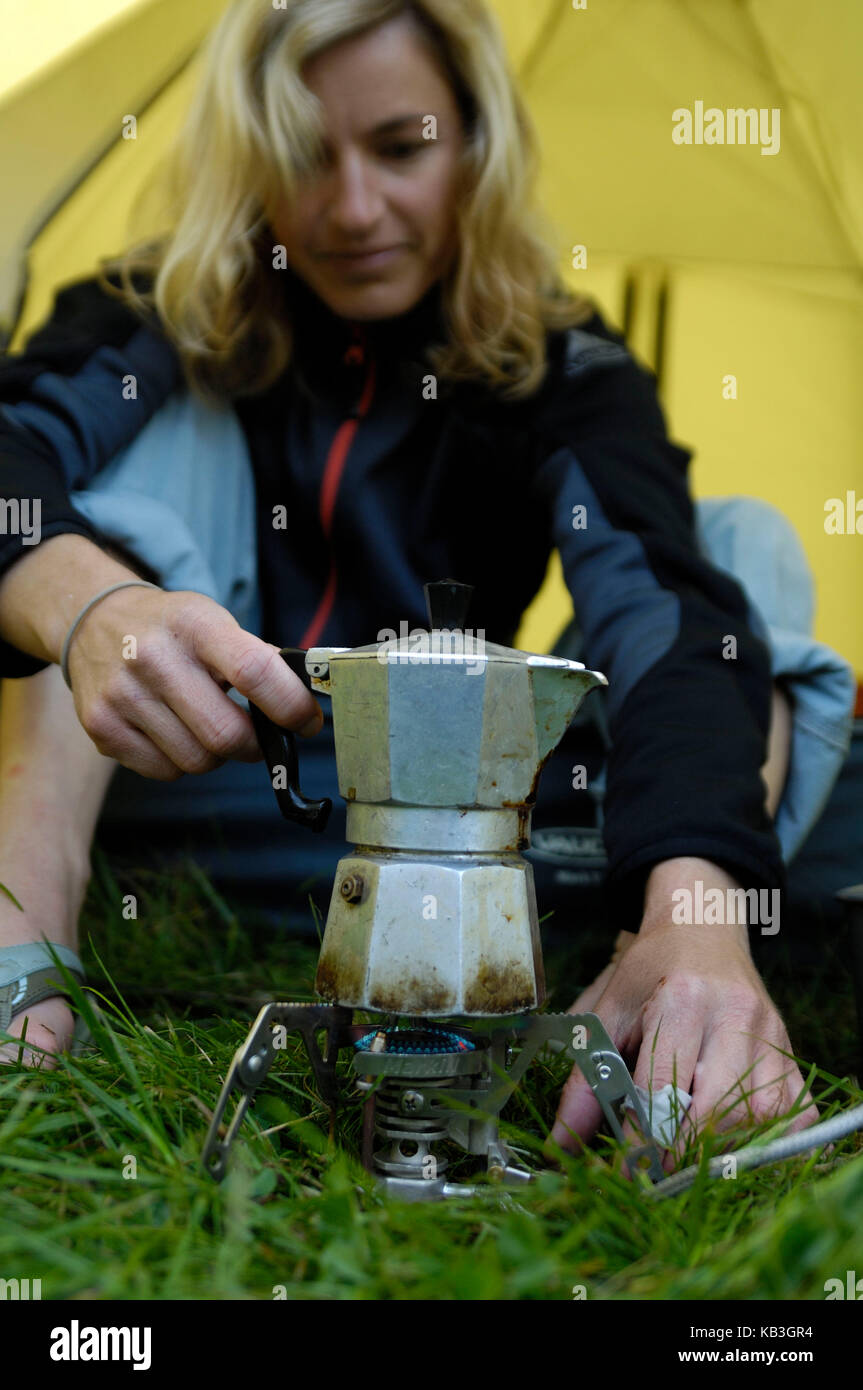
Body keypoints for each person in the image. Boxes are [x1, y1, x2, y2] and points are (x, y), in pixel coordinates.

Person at [0, 0, 850, 1161]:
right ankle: (23, 953)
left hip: (473, 826)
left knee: (737, 551)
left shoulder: (561, 360)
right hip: (198, 770)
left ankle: (680, 940)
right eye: (305, 153)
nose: (353, 209)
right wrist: (94, 601)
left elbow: (663, 610)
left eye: (401, 147)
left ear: (473, 142)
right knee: (119, 472)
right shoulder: (154, 310)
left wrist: (698, 914)